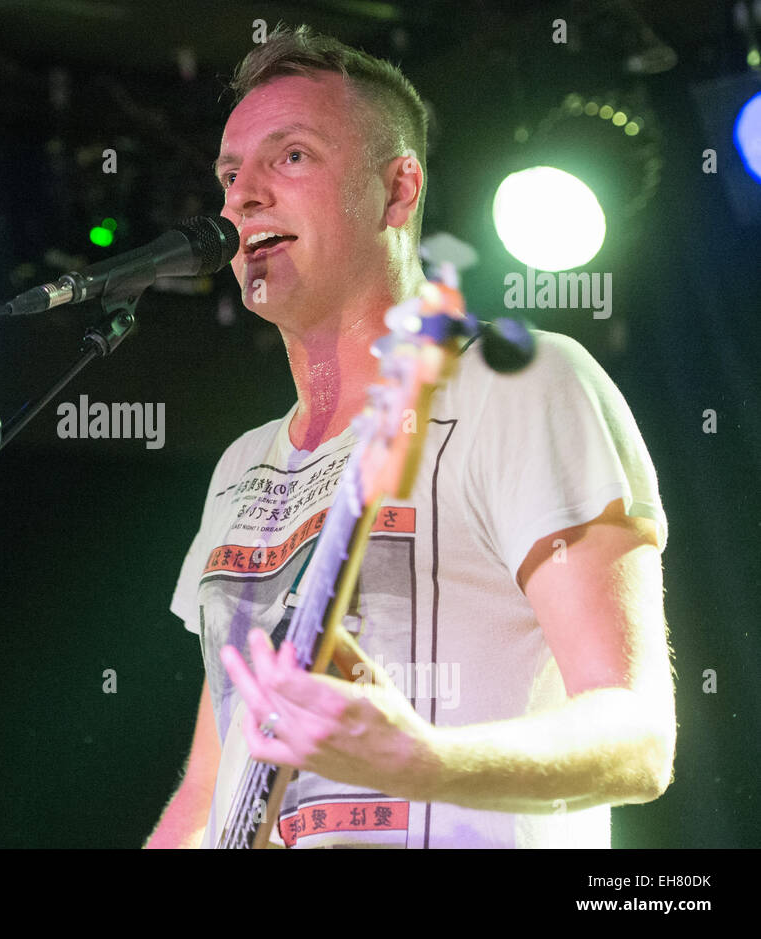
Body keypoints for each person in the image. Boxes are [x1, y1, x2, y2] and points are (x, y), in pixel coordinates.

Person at [148, 25, 675, 848]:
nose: (241, 195)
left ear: (398, 190)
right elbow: (210, 790)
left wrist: (424, 759)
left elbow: (637, 735)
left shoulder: (520, 382)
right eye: (229, 173)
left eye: (290, 158)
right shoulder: (241, 465)